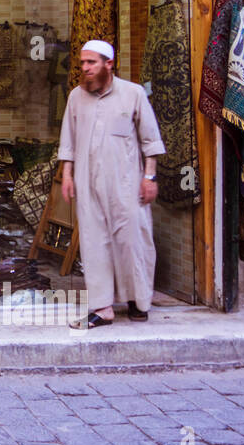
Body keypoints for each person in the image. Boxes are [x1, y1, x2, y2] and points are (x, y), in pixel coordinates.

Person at [58, 40, 166, 329]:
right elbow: (68, 141)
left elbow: (150, 140)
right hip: (87, 182)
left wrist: (150, 176)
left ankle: (138, 300)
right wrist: (67, 175)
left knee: (133, 240)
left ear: (108, 64)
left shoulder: (133, 94)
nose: (85, 68)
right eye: (82, 63)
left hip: (127, 182)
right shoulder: (75, 98)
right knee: (94, 243)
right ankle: (102, 307)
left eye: (91, 63)